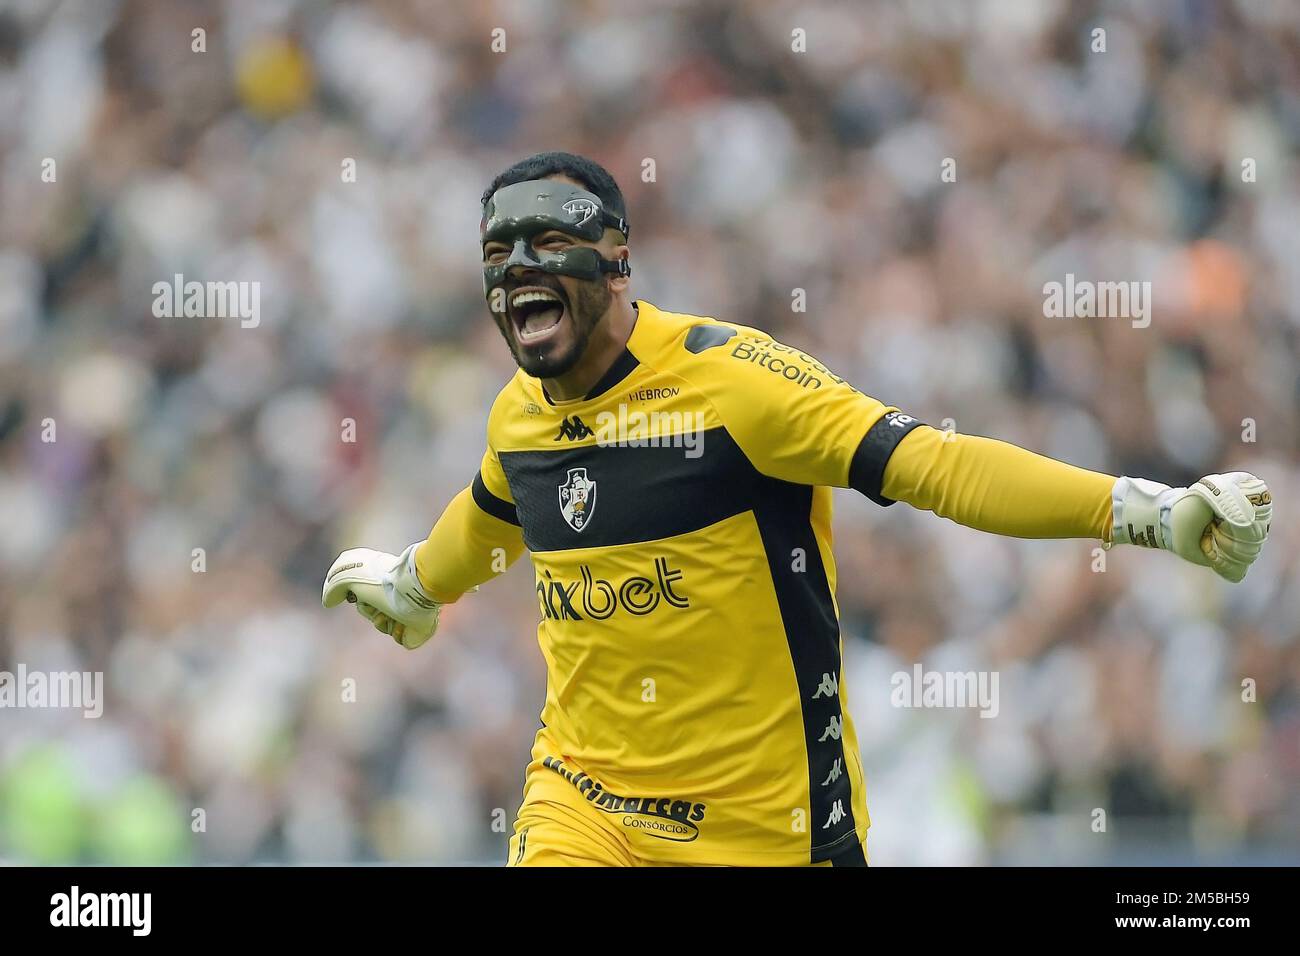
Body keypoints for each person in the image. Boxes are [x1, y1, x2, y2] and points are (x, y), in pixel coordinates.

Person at [322, 151, 1272, 867]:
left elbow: (936, 468)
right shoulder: (519, 417)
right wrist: (416, 584)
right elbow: (490, 520)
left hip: (768, 834)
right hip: (585, 804)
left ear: (617, 261)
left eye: (547, 242)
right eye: (499, 251)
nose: (517, 265)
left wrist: (1145, 511)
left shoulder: (738, 384)